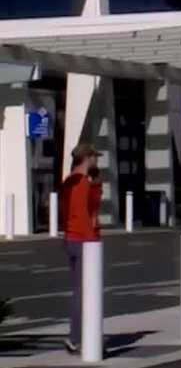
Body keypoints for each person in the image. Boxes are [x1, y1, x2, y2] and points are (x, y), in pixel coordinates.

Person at [60, 143, 102, 355]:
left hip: (70, 239)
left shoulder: (68, 181)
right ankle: (76, 338)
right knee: (85, 292)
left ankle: (78, 336)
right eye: (95, 157)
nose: (97, 161)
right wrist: (92, 241)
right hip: (85, 240)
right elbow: (90, 214)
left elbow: (66, 212)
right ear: (88, 158)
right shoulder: (84, 183)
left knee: (79, 290)